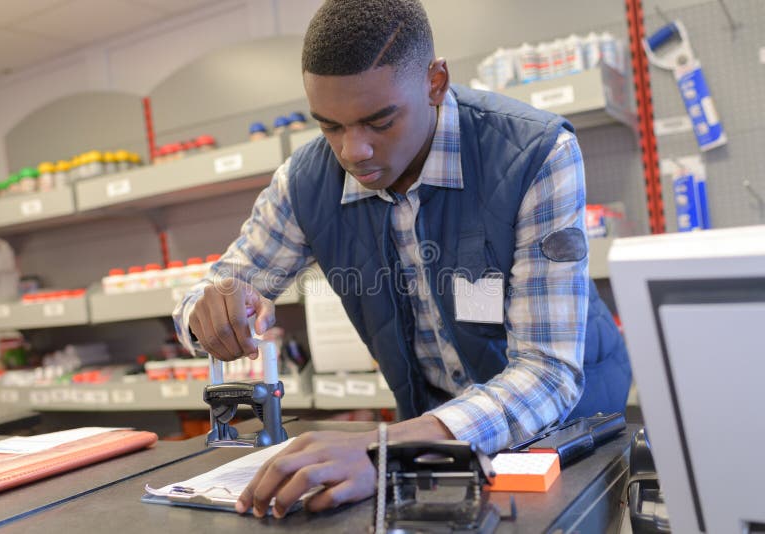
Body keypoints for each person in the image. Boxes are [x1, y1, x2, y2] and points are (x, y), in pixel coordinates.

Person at [173, 0, 631, 519]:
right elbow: (213, 291)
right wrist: (209, 310)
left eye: (379, 122)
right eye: (330, 126)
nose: (353, 151)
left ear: (435, 83)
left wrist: (386, 448)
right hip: (425, 439)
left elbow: (547, 373)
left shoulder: (534, 153)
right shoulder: (306, 182)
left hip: (567, 433)